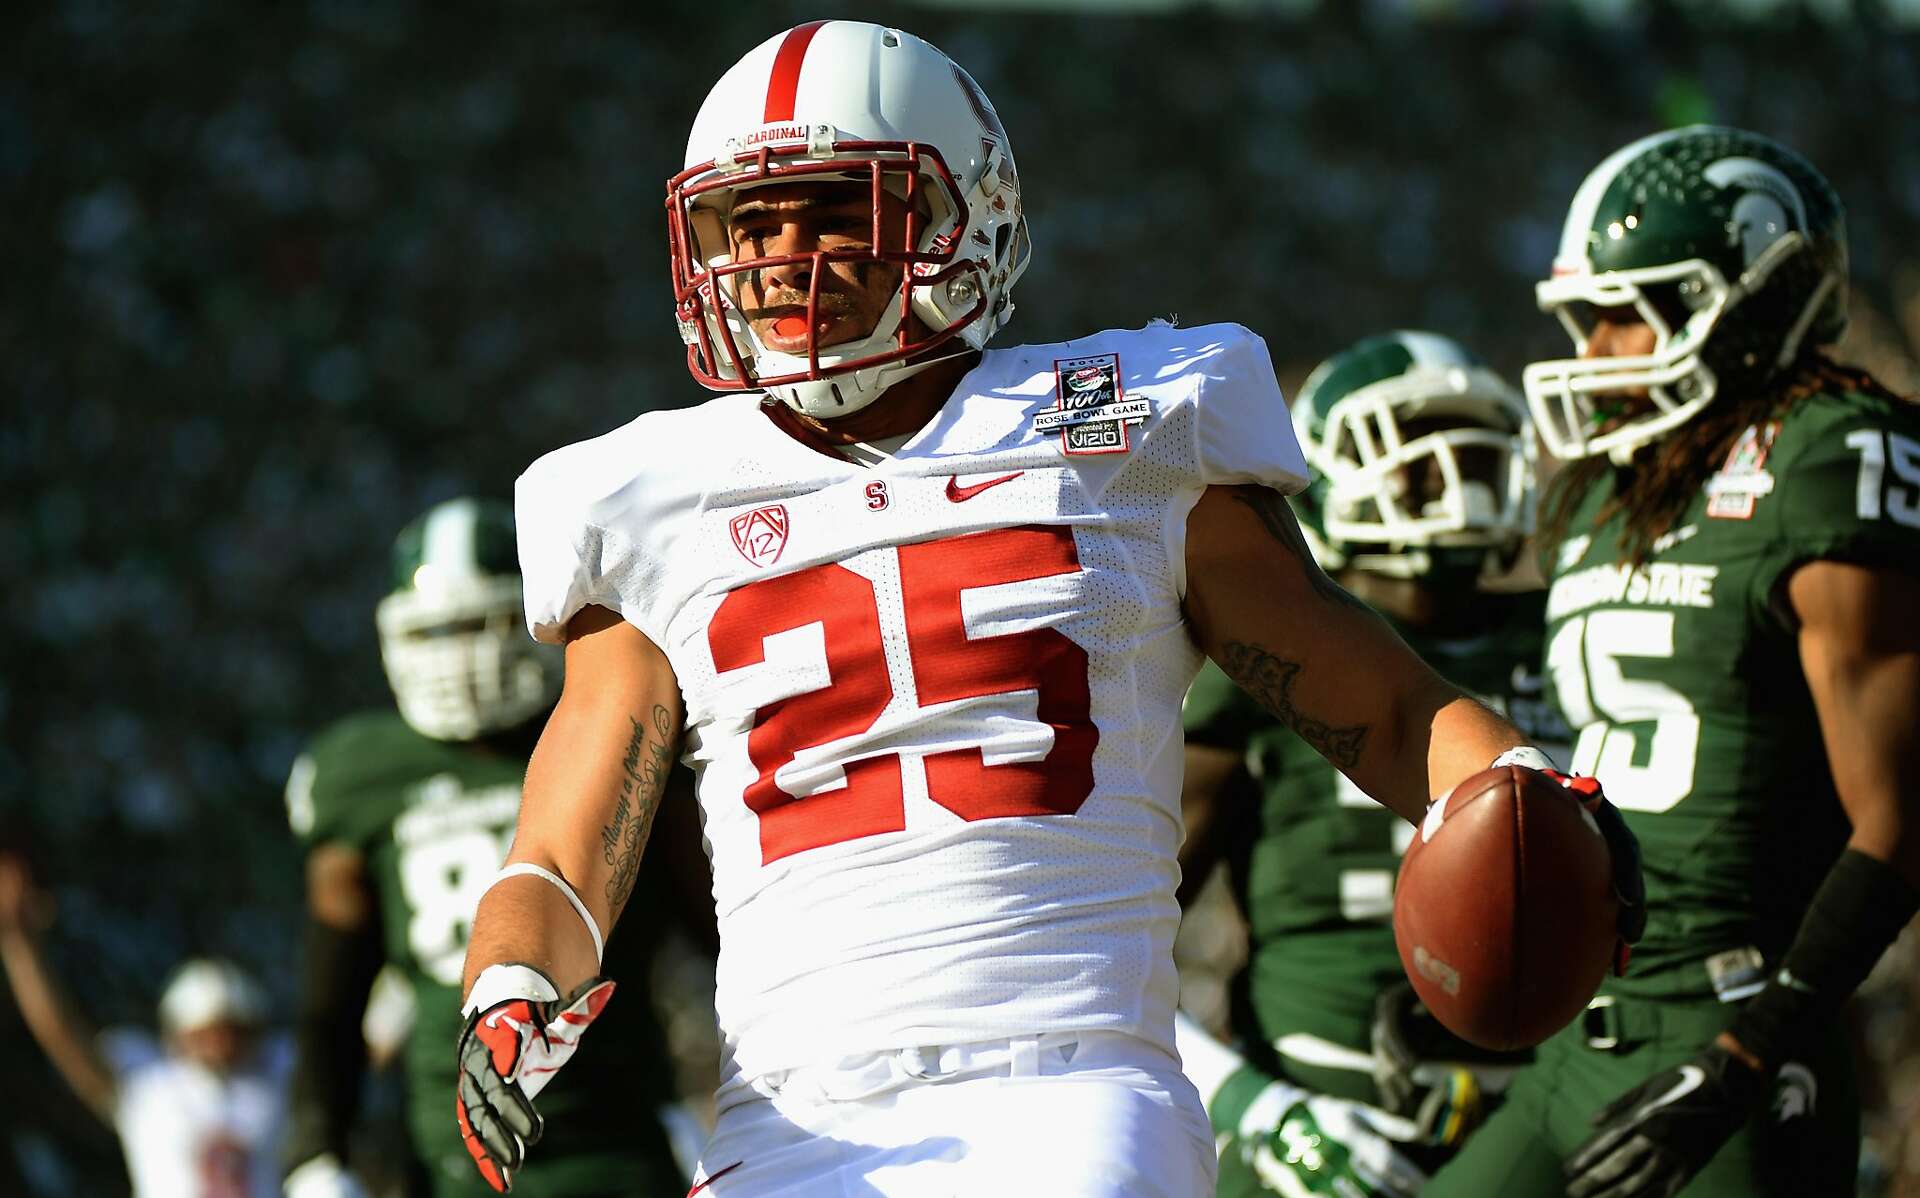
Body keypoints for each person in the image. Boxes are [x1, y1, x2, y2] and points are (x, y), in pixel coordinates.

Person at [452, 21, 1640, 1196]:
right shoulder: (646, 496)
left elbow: (1380, 707)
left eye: (832, 211)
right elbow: (564, 846)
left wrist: (1526, 787)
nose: (779, 259)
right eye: (750, 223)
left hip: (1067, 1088)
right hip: (791, 1117)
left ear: (960, 217)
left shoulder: (1127, 428)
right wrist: (508, 987)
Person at [1425, 125, 1920, 1197]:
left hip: (1733, 1031)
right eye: (1587, 319)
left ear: (1745, 300)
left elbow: (1905, 815)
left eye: (1626, 312)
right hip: (1581, 1024)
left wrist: (1749, 1055)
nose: (1599, 349)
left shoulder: (1830, 454)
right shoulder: (1613, 488)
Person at [1174, 331, 1567, 1197]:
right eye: (1421, 452)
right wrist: (1258, 1109)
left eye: (1476, 451)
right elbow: (1108, 937)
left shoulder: (1572, 641)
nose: (1459, 480)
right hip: (1315, 1116)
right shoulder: (1267, 660)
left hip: (1548, 1121)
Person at [280, 497, 687, 1198]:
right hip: (449, 1159)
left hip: (616, 1140)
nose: (460, 657)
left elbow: (715, 919)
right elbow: (332, 997)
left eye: (481, 625)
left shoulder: (599, 729)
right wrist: (315, 1148)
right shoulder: (361, 775)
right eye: (436, 631)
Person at [0, 852, 290, 1198]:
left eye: (233, 1030)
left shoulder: (281, 1072)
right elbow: (59, 1032)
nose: (219, 1044)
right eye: (204, 1033)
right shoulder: (148, 1082)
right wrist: (19, 943)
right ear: (176, 1035)